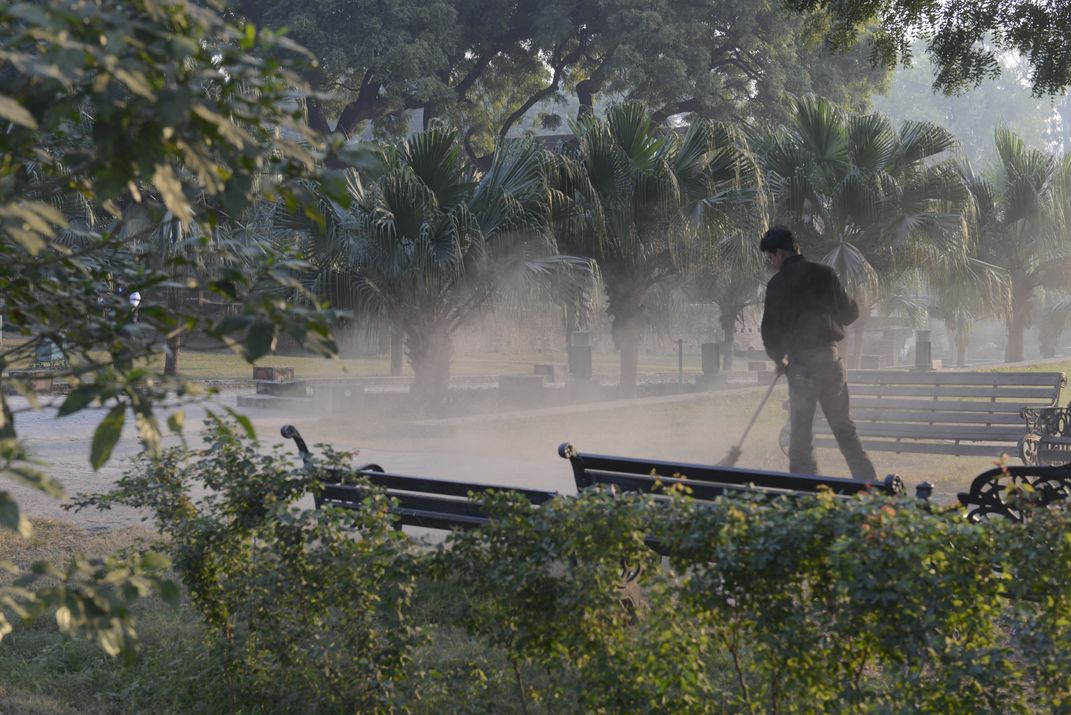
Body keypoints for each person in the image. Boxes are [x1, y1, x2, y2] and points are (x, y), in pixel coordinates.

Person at [759, 226, 876, 480]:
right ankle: (870, 487)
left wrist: (778, 358)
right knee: (845, 430)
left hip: (802, 367)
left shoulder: (777, 284)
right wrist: (856, 301)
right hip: (831, 361)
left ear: (779, 252)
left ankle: (806, 494)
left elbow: (769, 330)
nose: (772, 262)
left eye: (770, 257)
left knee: (801, 435)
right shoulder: (825, 274)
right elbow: (848, 315)